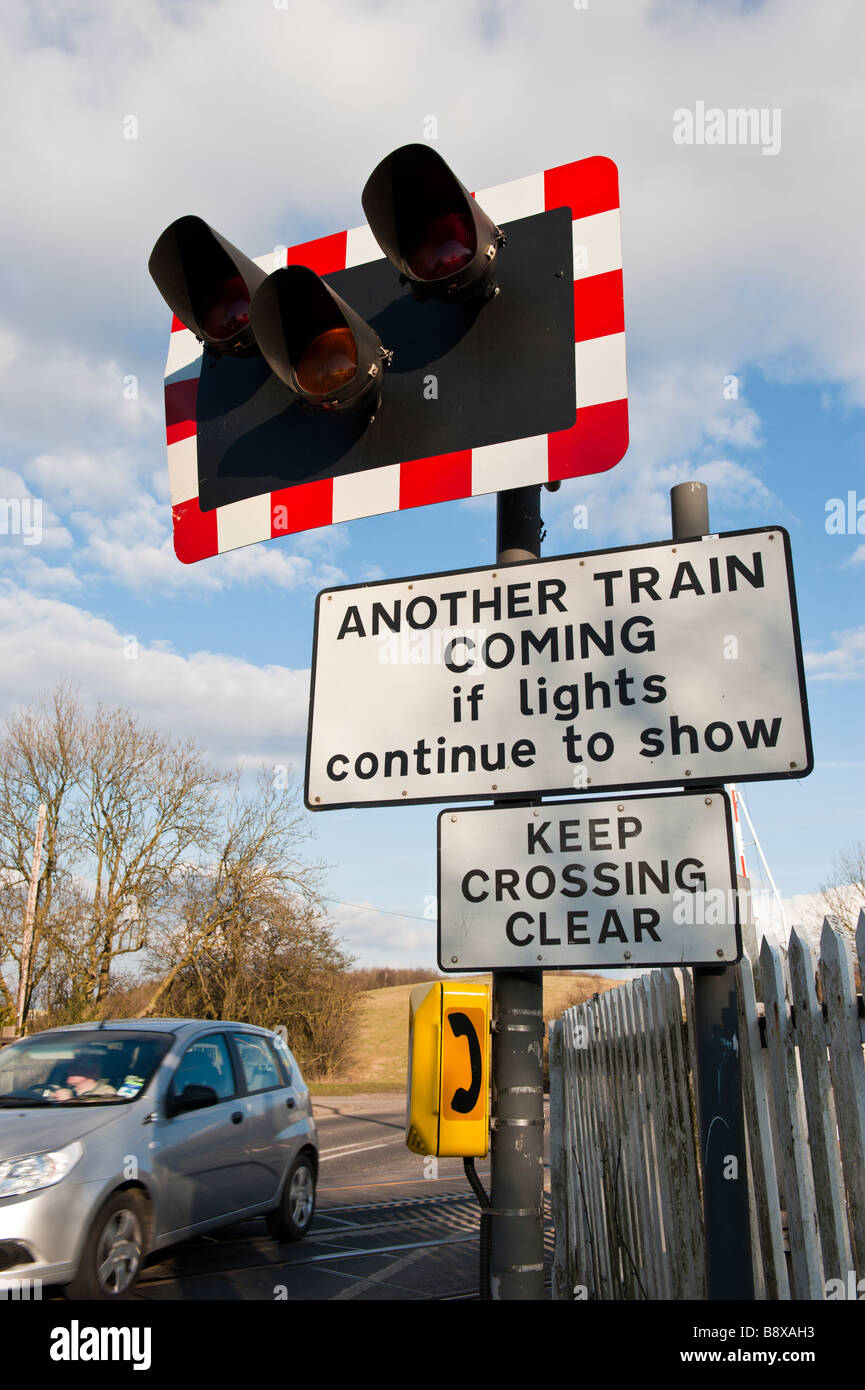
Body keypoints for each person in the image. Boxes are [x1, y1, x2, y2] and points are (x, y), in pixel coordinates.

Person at [45, 1054, 117, 1101]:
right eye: (70, 1069)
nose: (69, 1072)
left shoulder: (107, 1092)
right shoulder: (66, 1091)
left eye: (76, 1071)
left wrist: (69, 1101)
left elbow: (96, 1113)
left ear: (91, 1073)